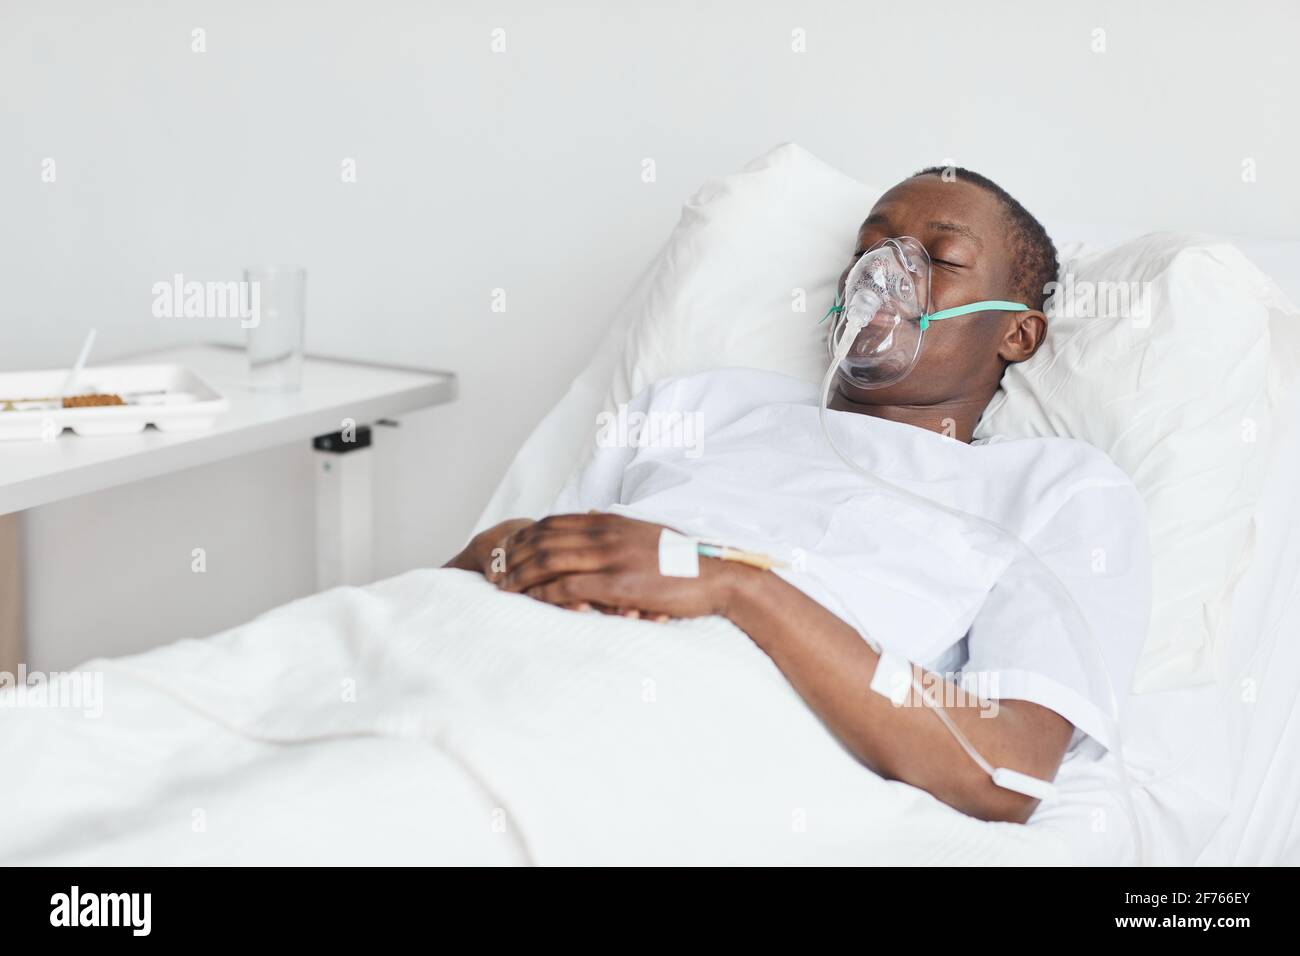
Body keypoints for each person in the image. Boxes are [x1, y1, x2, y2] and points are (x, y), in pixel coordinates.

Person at [445, 167, 1151, 824]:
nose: (886, 275)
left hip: (668, 728)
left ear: (1018, 333)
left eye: (940, 259)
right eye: (871, 250)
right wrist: (498, 550)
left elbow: (1008, 770)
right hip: (486, 659)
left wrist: (734, 586)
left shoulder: (1053, 489)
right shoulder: (700, 406)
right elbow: (521, 560)